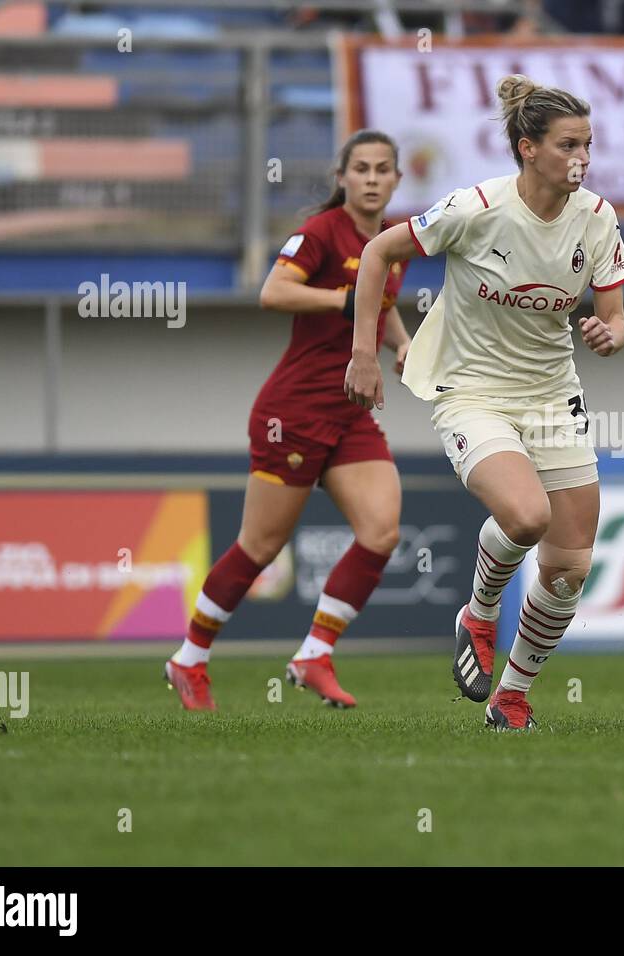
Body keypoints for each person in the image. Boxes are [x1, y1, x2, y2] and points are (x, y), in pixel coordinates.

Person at [344, 75, 624, 730]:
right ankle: (477, 613)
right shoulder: (474, 208)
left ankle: (512, 697)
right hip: (471, 390)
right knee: (526, 516)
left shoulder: (598, 217)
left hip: (552, 396)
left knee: (569, 565)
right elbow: (377, 252)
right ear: (528, 148)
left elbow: (615, 320)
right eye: (567, 145)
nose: (582, 158)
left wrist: (607, 334)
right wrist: (366, 352)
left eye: (588, 144)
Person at [164, 130, 411, 711]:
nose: (372, 178)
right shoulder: (323, 233)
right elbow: (272, 293)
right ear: (342, 178)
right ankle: (189, 658)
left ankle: (314, 654)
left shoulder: (394, 241)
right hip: (292, 413)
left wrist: (401, 343)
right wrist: (341, 300)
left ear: (398, 180)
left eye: (383, 169)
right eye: (362, 169)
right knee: (260, 546)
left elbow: (386, 302)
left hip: (350, 413)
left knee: (382, 531)